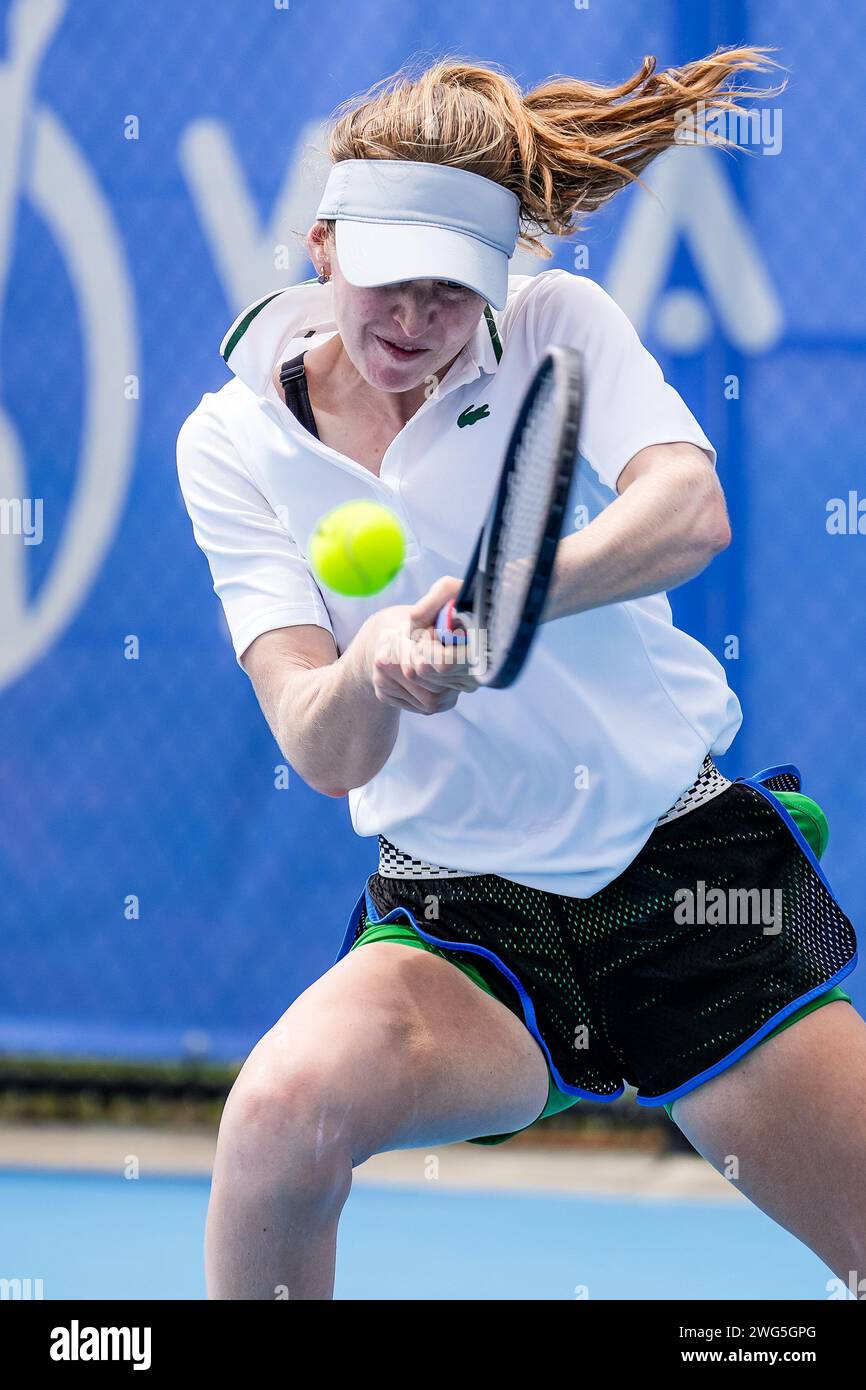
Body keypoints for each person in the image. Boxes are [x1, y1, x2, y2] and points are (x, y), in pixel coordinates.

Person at [176, 51, 862, 1301]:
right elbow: (319, 749)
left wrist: (515, 595)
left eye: (450, 293)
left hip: (681, 876)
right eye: (389, 282)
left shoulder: (553, 324)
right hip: (457, 921)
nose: (414, 323)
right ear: (322, 244)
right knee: (279, 1116)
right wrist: (377, 669)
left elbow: (687, 508)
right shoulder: (230, 439)